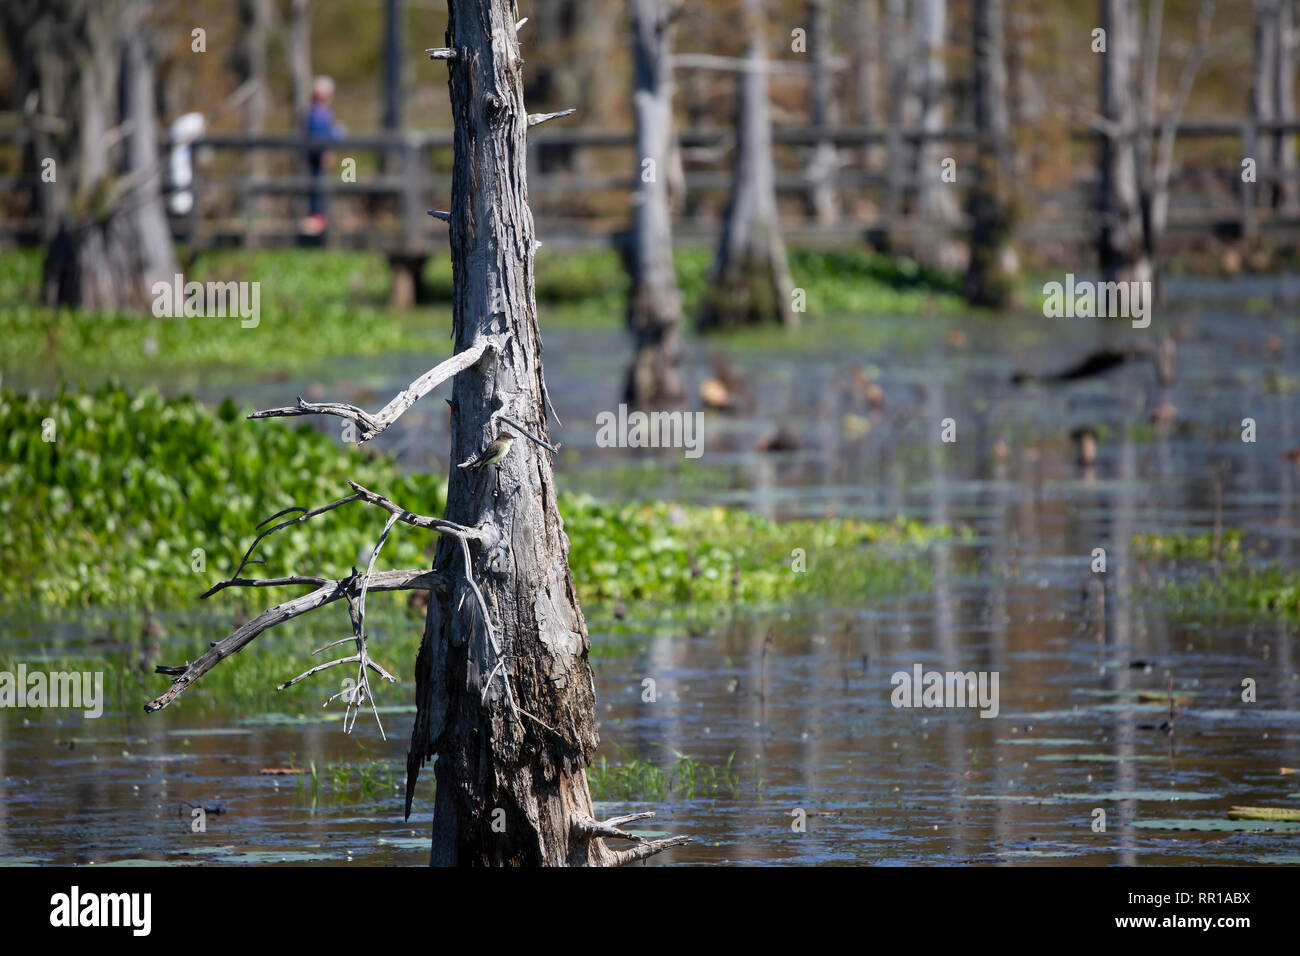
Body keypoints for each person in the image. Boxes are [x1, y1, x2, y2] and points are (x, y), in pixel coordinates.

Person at [303, 76, 344, 234]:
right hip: (318, 154)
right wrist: (327, 151)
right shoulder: (319, 112)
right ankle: (318, 217)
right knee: (318, 184)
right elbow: (321, 135)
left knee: (318, 183)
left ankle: (319, 216)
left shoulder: (316, 111)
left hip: (315, 153)